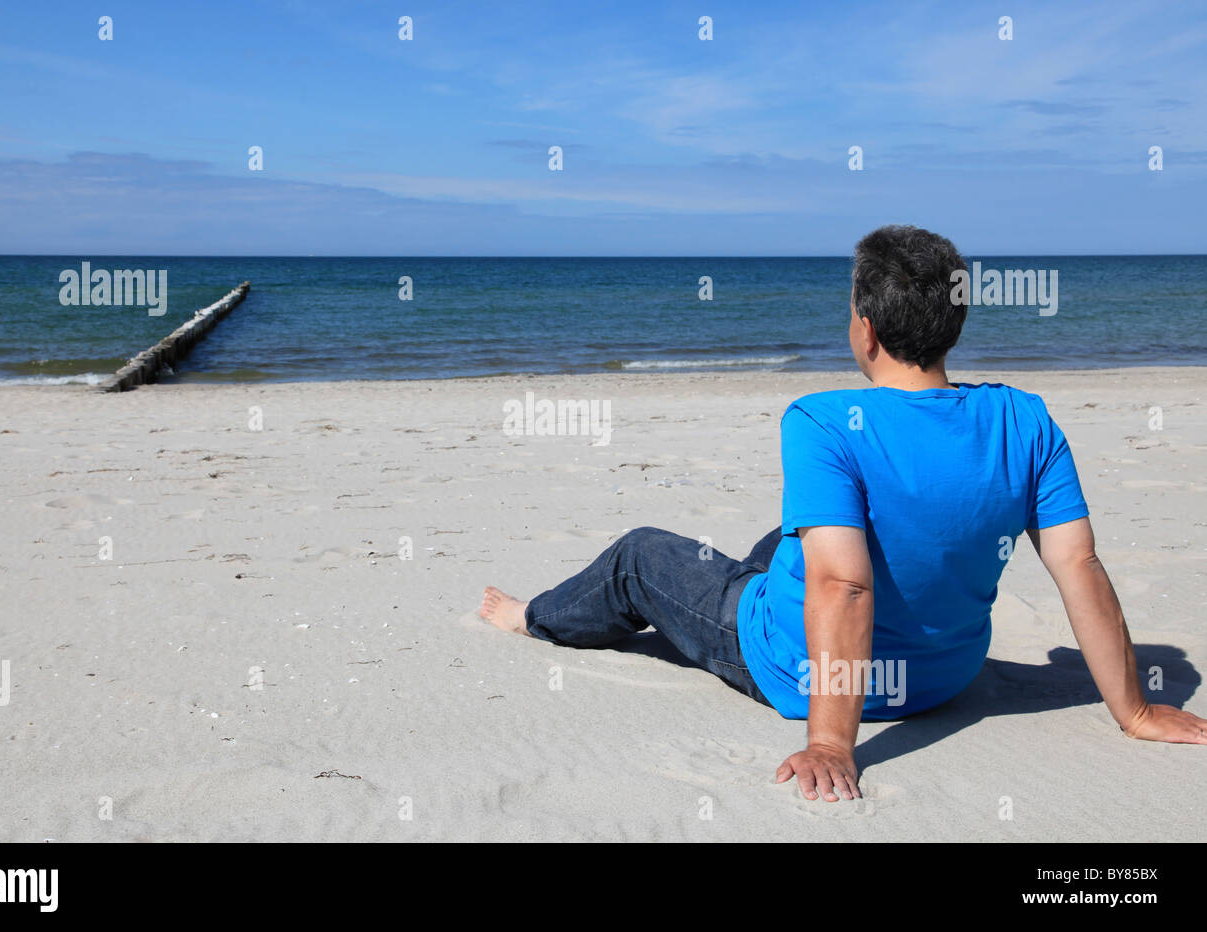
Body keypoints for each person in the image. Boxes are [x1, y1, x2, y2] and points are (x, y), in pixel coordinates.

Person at [479, 224, 1207, 803]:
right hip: (945, 676)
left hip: (794, 668)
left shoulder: (824, 420)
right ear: (952, 325)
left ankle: (533, 616)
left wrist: (831, 743)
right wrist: (1135, 710)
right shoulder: (1025, 420)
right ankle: (758, 578)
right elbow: (1078, 564)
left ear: (865, 328)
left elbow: (844, 586)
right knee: (785, 536)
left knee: (640, 554)